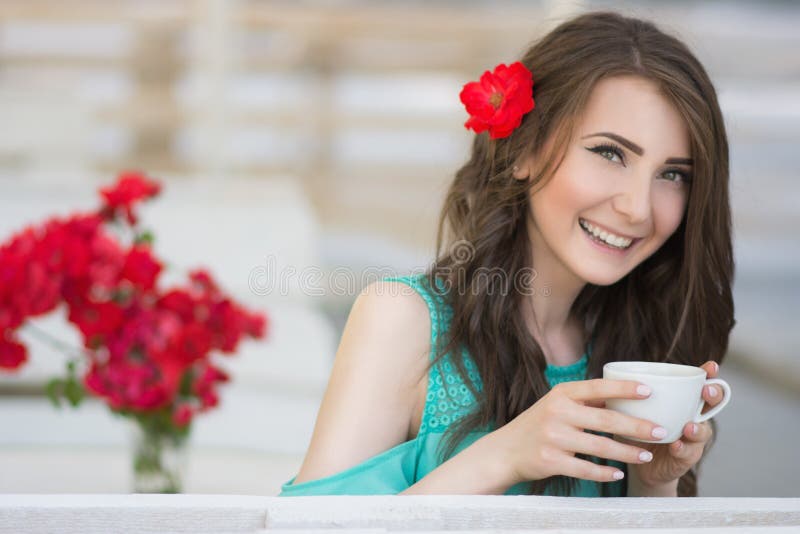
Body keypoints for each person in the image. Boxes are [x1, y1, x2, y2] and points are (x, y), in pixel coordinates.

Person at [279, 10, 734, 498]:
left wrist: (652, 482)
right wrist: (501, 456)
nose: (638, 208)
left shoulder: (639, 349)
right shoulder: (404, 321)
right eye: (609, 153)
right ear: (524, 149)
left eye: (673, 175)